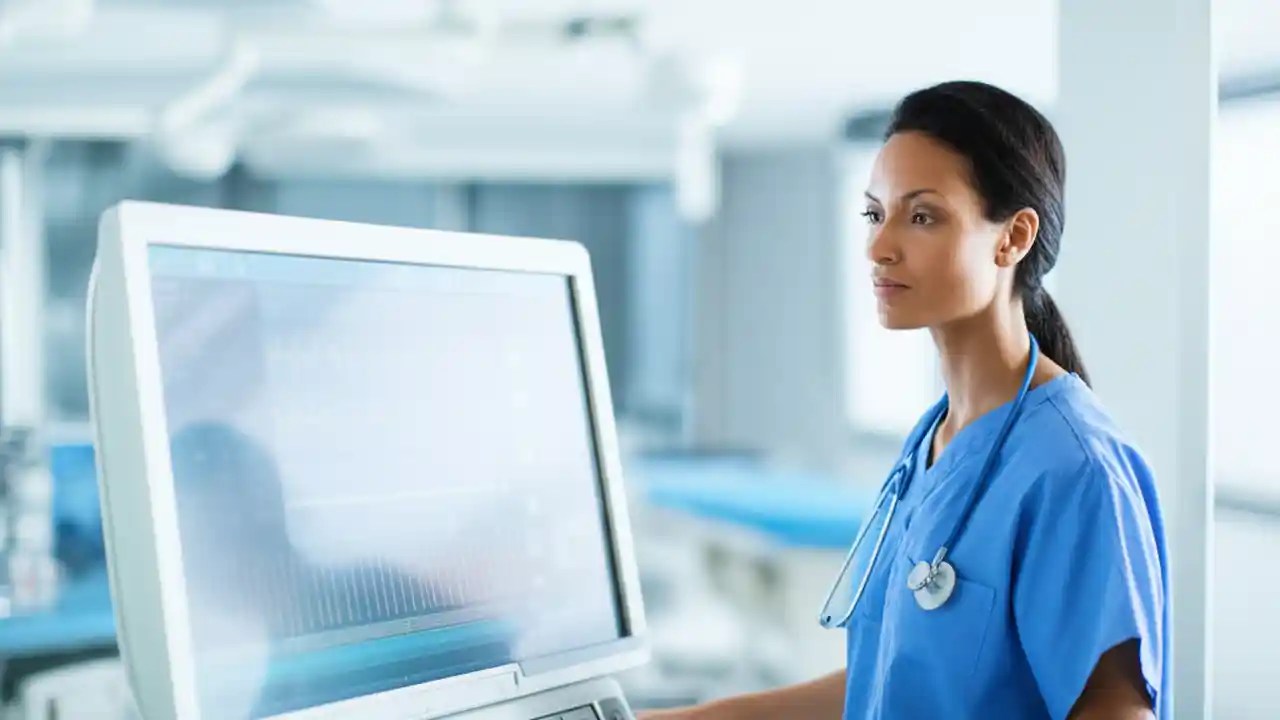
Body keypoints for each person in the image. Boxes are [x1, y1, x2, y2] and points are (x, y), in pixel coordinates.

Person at [640, 81, 1169, 720]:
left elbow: (1117, 708)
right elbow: (884, 684)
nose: (878, 247)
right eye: (874, 213)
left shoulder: (1073, 466)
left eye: (922, 216)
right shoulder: (933, 441)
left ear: (1013, 238)